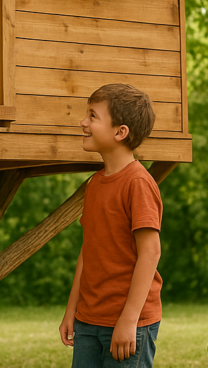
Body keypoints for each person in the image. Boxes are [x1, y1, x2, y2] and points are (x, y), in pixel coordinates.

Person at [59, 84, 163, 367]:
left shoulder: (138, 183)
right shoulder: (94, 184)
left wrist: (128, 320)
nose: (83, 122)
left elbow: (150, 252)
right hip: (88, 320)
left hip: (129, 322)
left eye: (92, 116)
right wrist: (72, 310)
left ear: (120, 132)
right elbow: (88, 250)